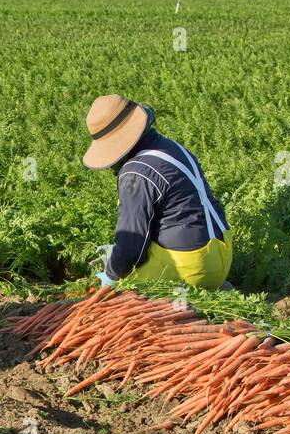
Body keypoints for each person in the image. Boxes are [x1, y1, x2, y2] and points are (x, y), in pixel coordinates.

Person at [83, 93, 232, 290]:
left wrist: (111, 276)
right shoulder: (170, 147)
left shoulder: (136, 172)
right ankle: (214, 285)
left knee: (124, 289)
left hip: (188, 267)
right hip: (220, 255)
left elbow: (131, 245)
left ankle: (190, 288)